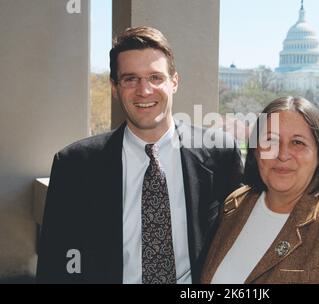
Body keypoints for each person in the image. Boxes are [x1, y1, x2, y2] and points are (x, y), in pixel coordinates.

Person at [36, 26, 243, 284]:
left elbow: (242, 244)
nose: (144, 91)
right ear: (114, 87)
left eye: (155, 77)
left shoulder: (221, 155)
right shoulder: (75, 165)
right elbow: (55, 264)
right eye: (130, 79)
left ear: (174, 82)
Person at [201, 96, 319, 284]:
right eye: (271, 141)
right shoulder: (234, 205)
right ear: (256, 151)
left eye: (298, 142)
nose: (282, 154)